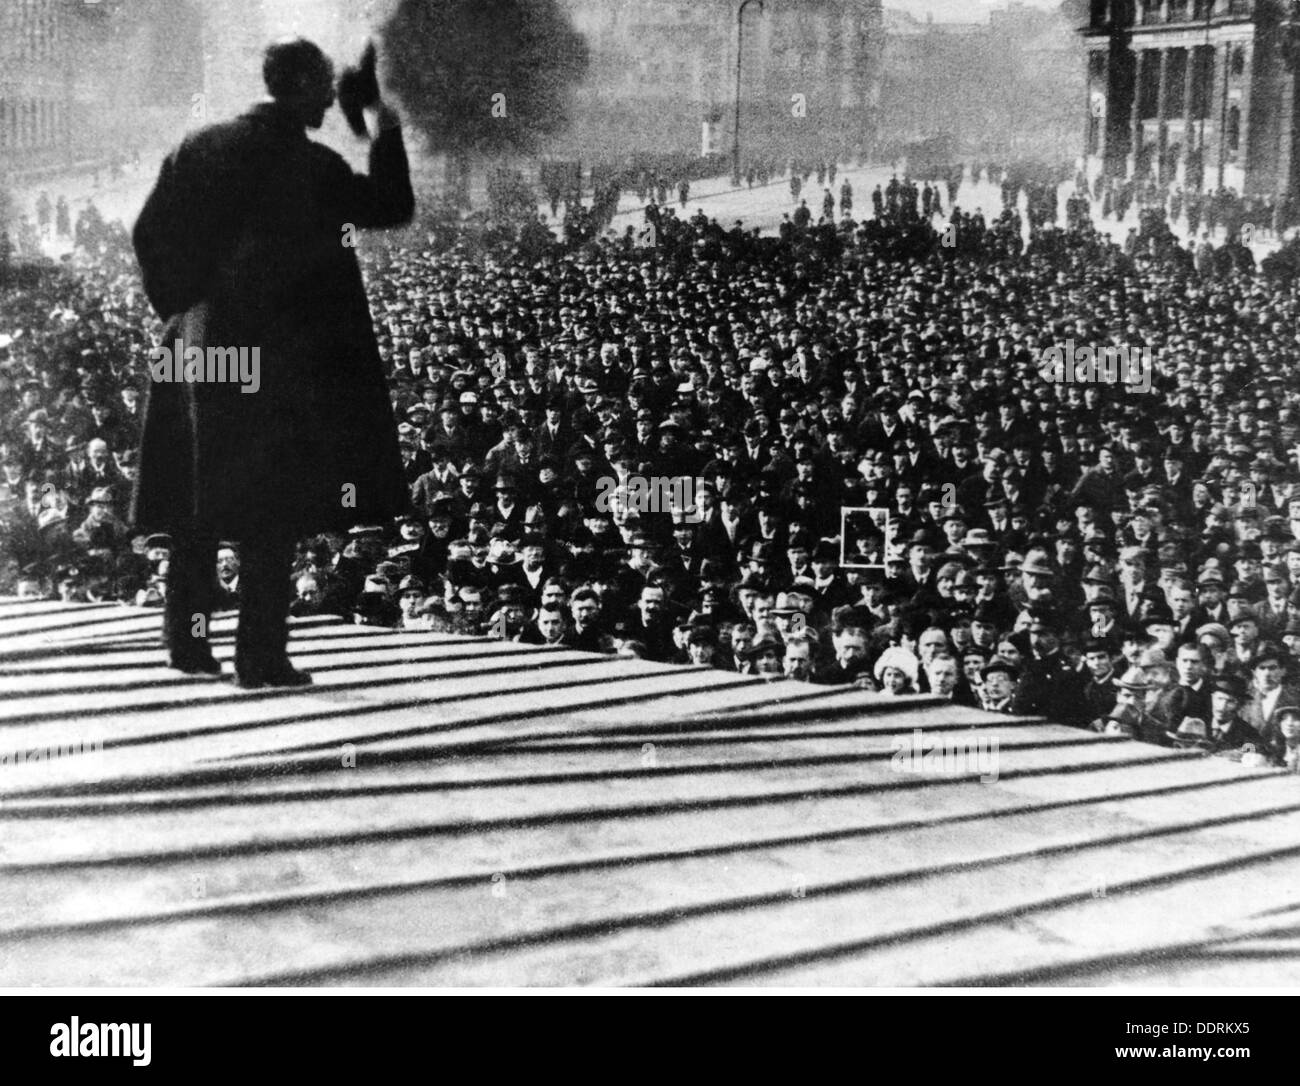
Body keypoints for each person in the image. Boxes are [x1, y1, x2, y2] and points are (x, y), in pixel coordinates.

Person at [131, 37, 414, 686]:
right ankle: (259, 657)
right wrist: (382, 120)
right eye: (323, 87)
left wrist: (180, 310)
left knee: (195, 495)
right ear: (304, 85)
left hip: (196, 348)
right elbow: (391, 205)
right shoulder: (310, 166)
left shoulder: (197, 148)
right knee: (268, 504)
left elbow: (149, 235)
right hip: (276, 357)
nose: (327, 99)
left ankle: (187, 645)